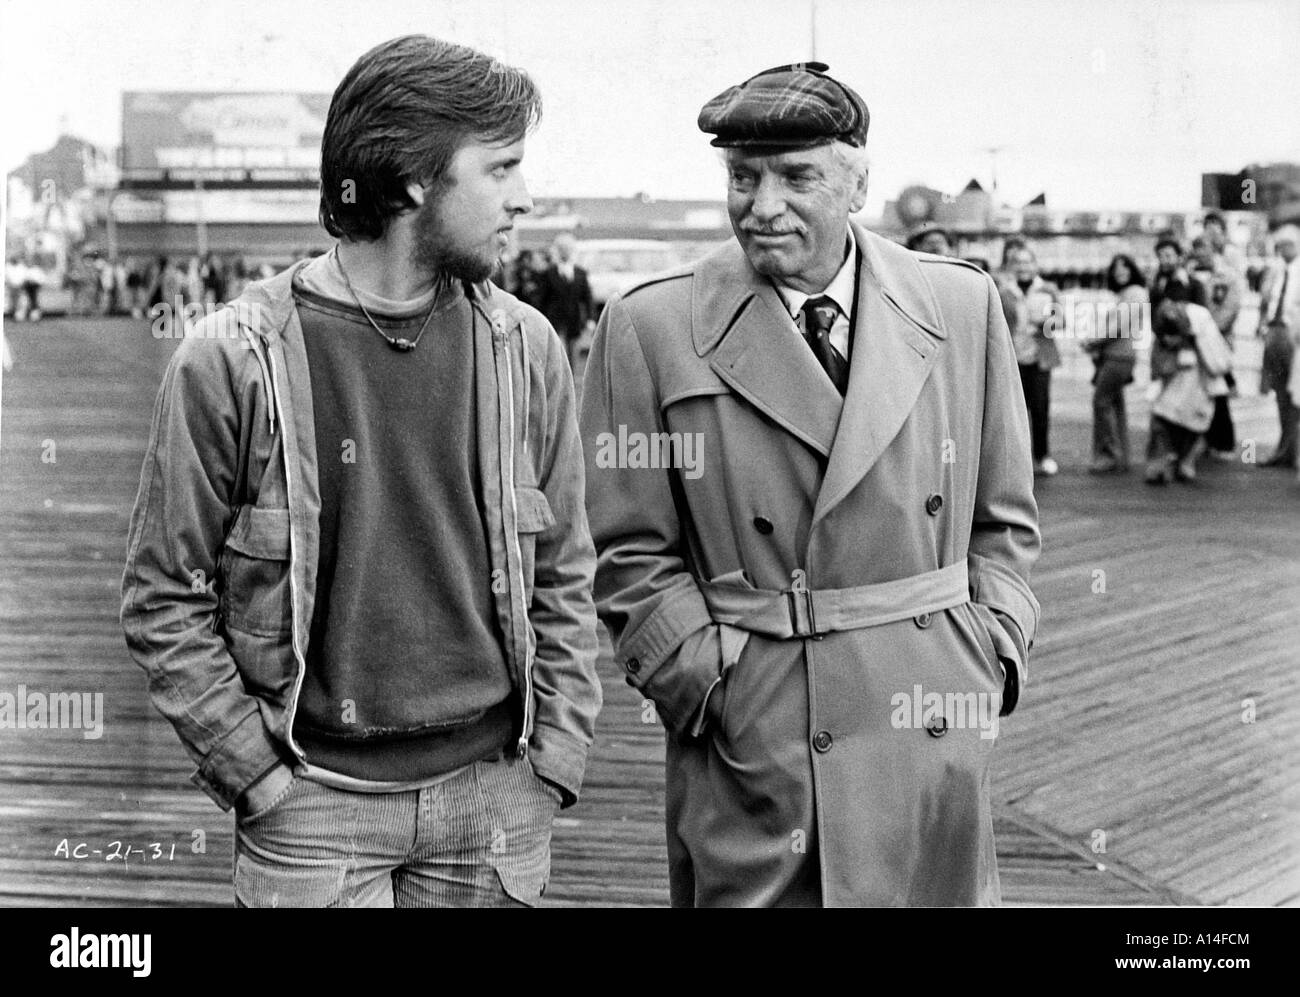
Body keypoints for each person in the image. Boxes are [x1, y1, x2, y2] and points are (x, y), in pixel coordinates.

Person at [121, 34, 601, 908]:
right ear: (413, 180)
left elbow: (566, 567)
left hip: (495, 796)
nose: (524, 197)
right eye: (501, 168)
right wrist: (252, 769)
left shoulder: (525, 347)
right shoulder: (230, 358)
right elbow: (161, 593)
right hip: (309, 806)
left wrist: (556, 754)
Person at [581, 61, 1040, 907]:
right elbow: (628, 550)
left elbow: (1003, 517)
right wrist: (709, 682)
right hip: (760, 738)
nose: (762, 205)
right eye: (742, 177)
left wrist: (992, 651)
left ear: (858, 184)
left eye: (797, 177)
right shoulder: (650, 327)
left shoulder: (961, 305)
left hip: (929, 716)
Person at [1144, 280, 1233, 484]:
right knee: (1191, 424)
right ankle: (1183, 463)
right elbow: (1217, 355)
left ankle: (1168, 463)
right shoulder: (1199, 314)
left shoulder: (1180, 313)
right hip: (1195, 376)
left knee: (1167, 419)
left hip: (1188, 375)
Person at [1001, 245, 1061, 475]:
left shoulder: (1048, 290)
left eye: (1027, 262)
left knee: (1040, 409)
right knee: (1014, 413)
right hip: (1013, 359)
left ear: (1035, 265)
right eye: (1018, 262)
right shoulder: (1005, 292)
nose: (1023, 267)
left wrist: (1043, 324)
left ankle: (1042, 456)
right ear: (1012, 267)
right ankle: (1016, 461)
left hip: (1039, 358)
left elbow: (1061, 321)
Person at [1084, 253, 1145, 472]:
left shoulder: (1135, 293)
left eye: (1124, 267)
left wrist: (1093, 341)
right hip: (1115, 355)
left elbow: (1119, 325)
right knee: (1114, 405)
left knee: (1101, 402)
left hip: (1120, 356)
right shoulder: (1125, 294)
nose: (1120, 271)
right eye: (1116, 268)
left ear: (1132, 270)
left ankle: (1108, 455)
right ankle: (1120, 456)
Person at [1189, 235, 1241, 457]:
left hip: (1217, 340)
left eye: (1204, 250)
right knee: (1199, 390)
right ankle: (1206, 438)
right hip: (1197, 340)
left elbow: (1231, 308)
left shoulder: (1227, 275)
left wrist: (1209, 332)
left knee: (1218, 391)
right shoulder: (1191, 275)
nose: (1200, 254)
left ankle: (1223, 442)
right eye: (1197, 251)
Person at [1258, 224, 1300, 468]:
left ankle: (1292, 450)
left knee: (1295, 394)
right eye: (1280, 245)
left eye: (1287, 245)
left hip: (1292, 334)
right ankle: (1285, 449)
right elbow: (1267, 301)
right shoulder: (1276, 271)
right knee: (1281, 393)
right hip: (1274, 332)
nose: (1283, 249)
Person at [535, 232, 595, 369]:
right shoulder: (548, 273)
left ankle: (571, 378)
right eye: (562, 248)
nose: (565, 252)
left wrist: (591, 318)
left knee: (573, 355)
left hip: (574, 320)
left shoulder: (580, 273)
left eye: (567, 248)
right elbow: (541, 300)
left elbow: (587, 298)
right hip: (555, 320)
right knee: (557, 353)